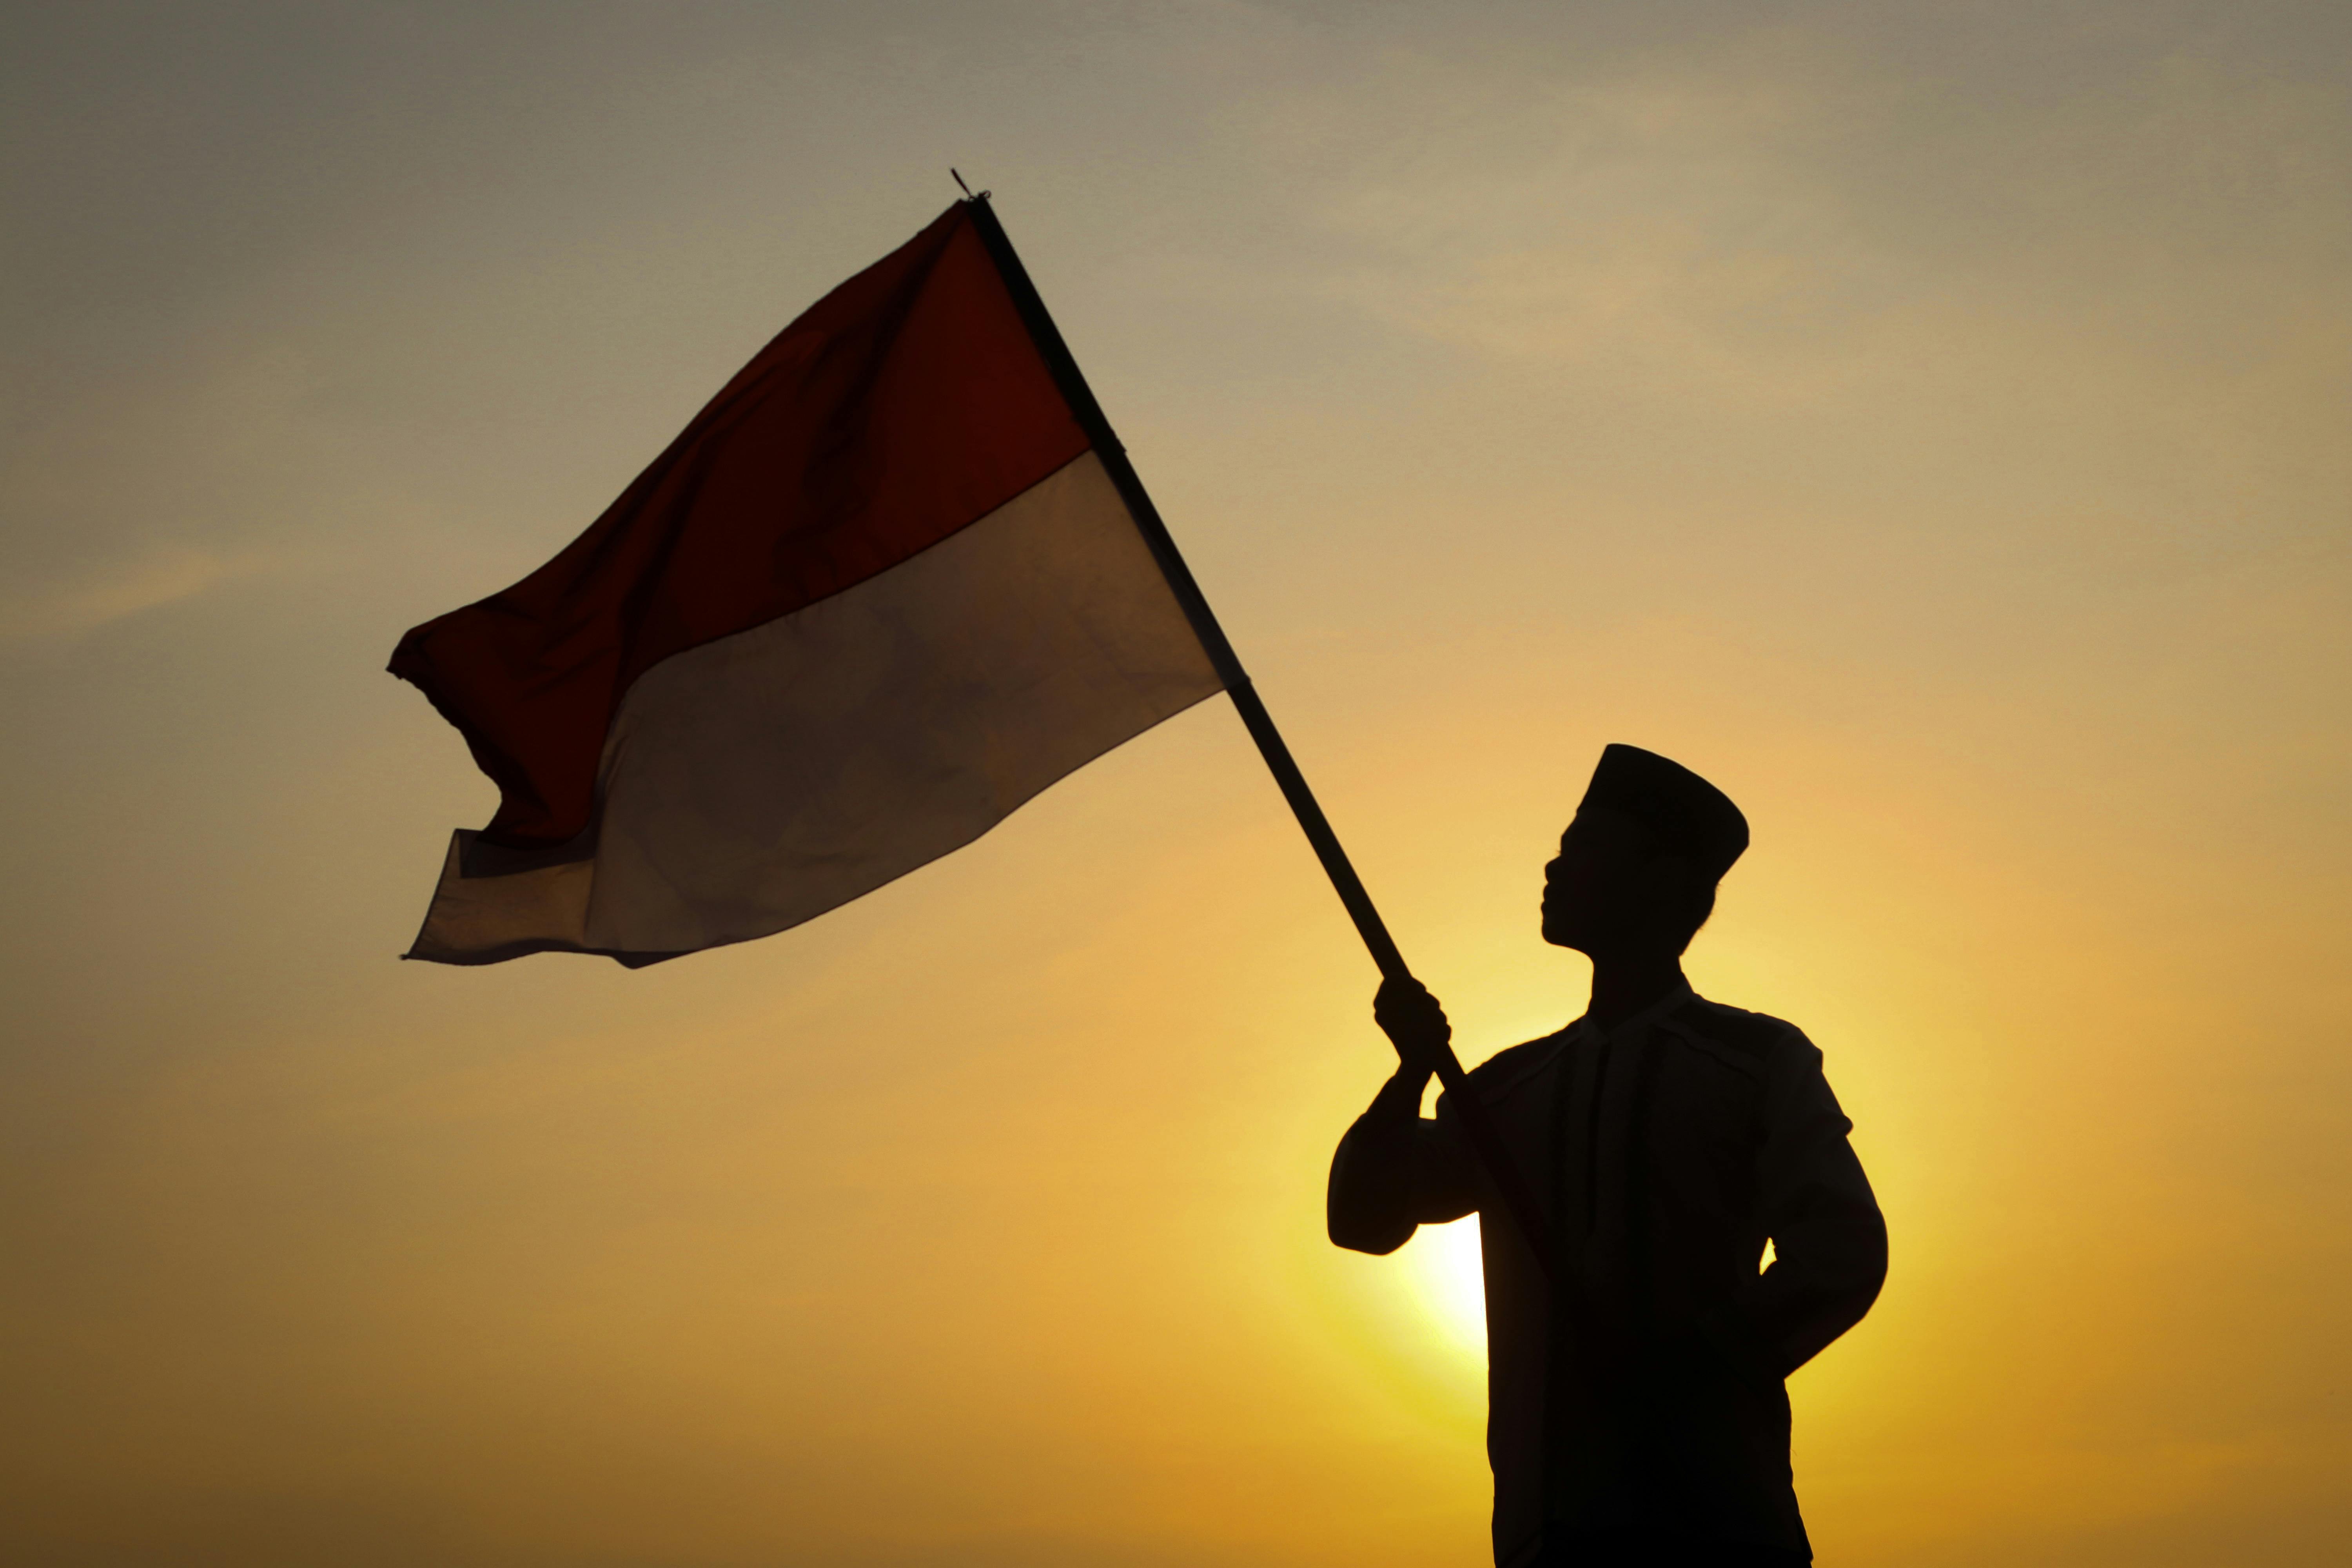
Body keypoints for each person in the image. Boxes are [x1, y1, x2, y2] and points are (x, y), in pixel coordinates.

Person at [1328, 745, 1886, 1568]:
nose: (1554, 865)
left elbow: (1843, 1254)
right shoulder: (1508, 1090)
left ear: (1662, 879)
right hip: (1547, 1526)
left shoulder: (1758, 1061)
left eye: (1585, 846)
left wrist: (1702, 1362)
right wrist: (1409, 1073)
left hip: (1719, 1520)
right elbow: (1364, 1218)